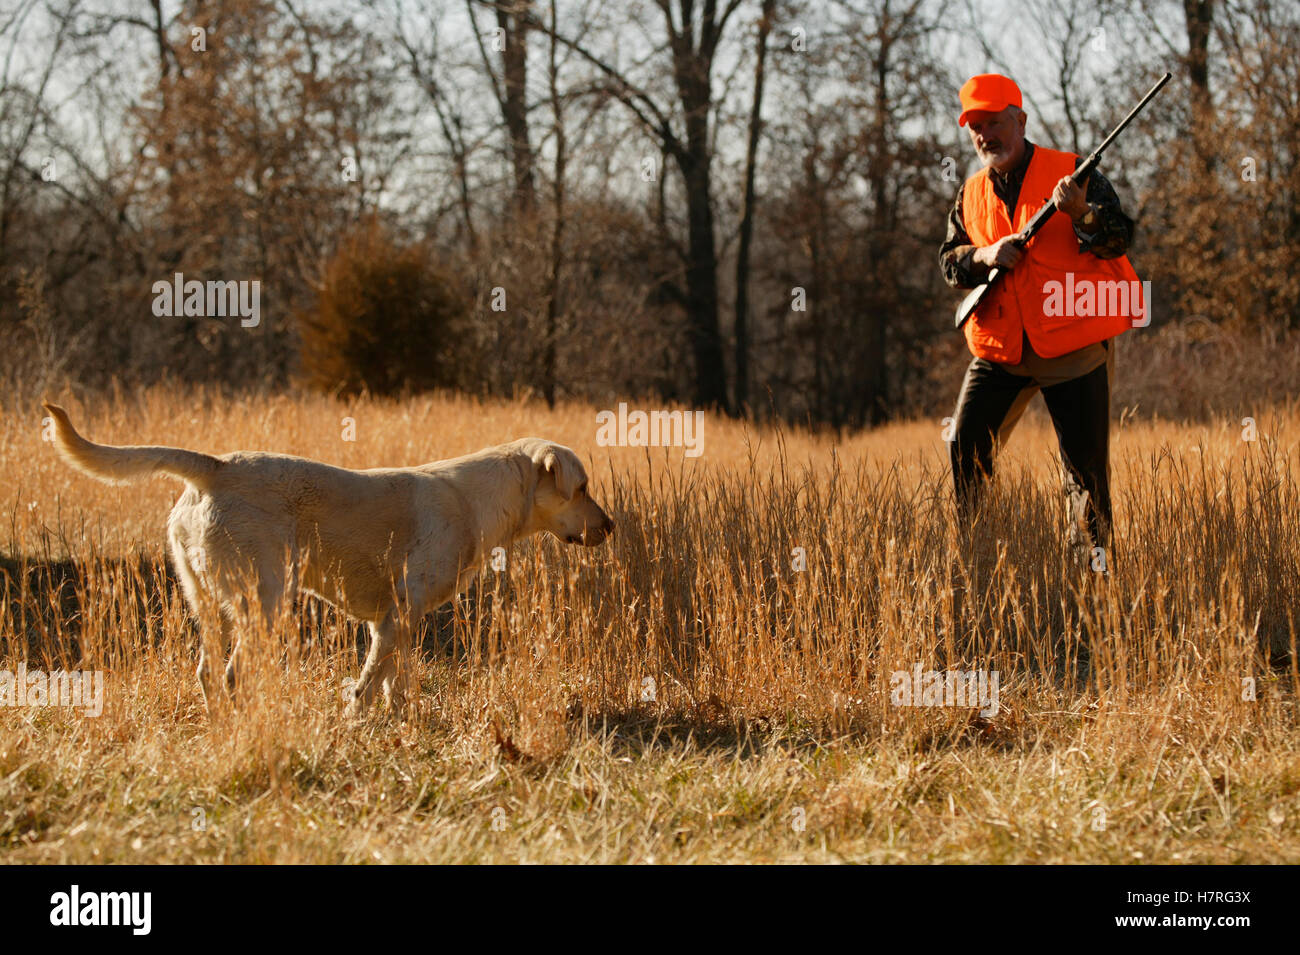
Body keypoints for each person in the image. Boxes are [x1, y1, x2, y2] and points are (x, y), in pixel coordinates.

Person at [939, 73, 1144, 567]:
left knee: (1085, 475)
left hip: (1071, 344)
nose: (986, 134)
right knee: (966, 450)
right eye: (976, 127)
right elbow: (950, 263)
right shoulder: (970, 193)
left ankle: (1092, 586)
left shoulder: (1075, 173)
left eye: (994, 122)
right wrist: (985, 255)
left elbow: (1120, 238)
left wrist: (1082, 215)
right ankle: (977, 558)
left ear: (1021, 120)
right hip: (1000, 348)